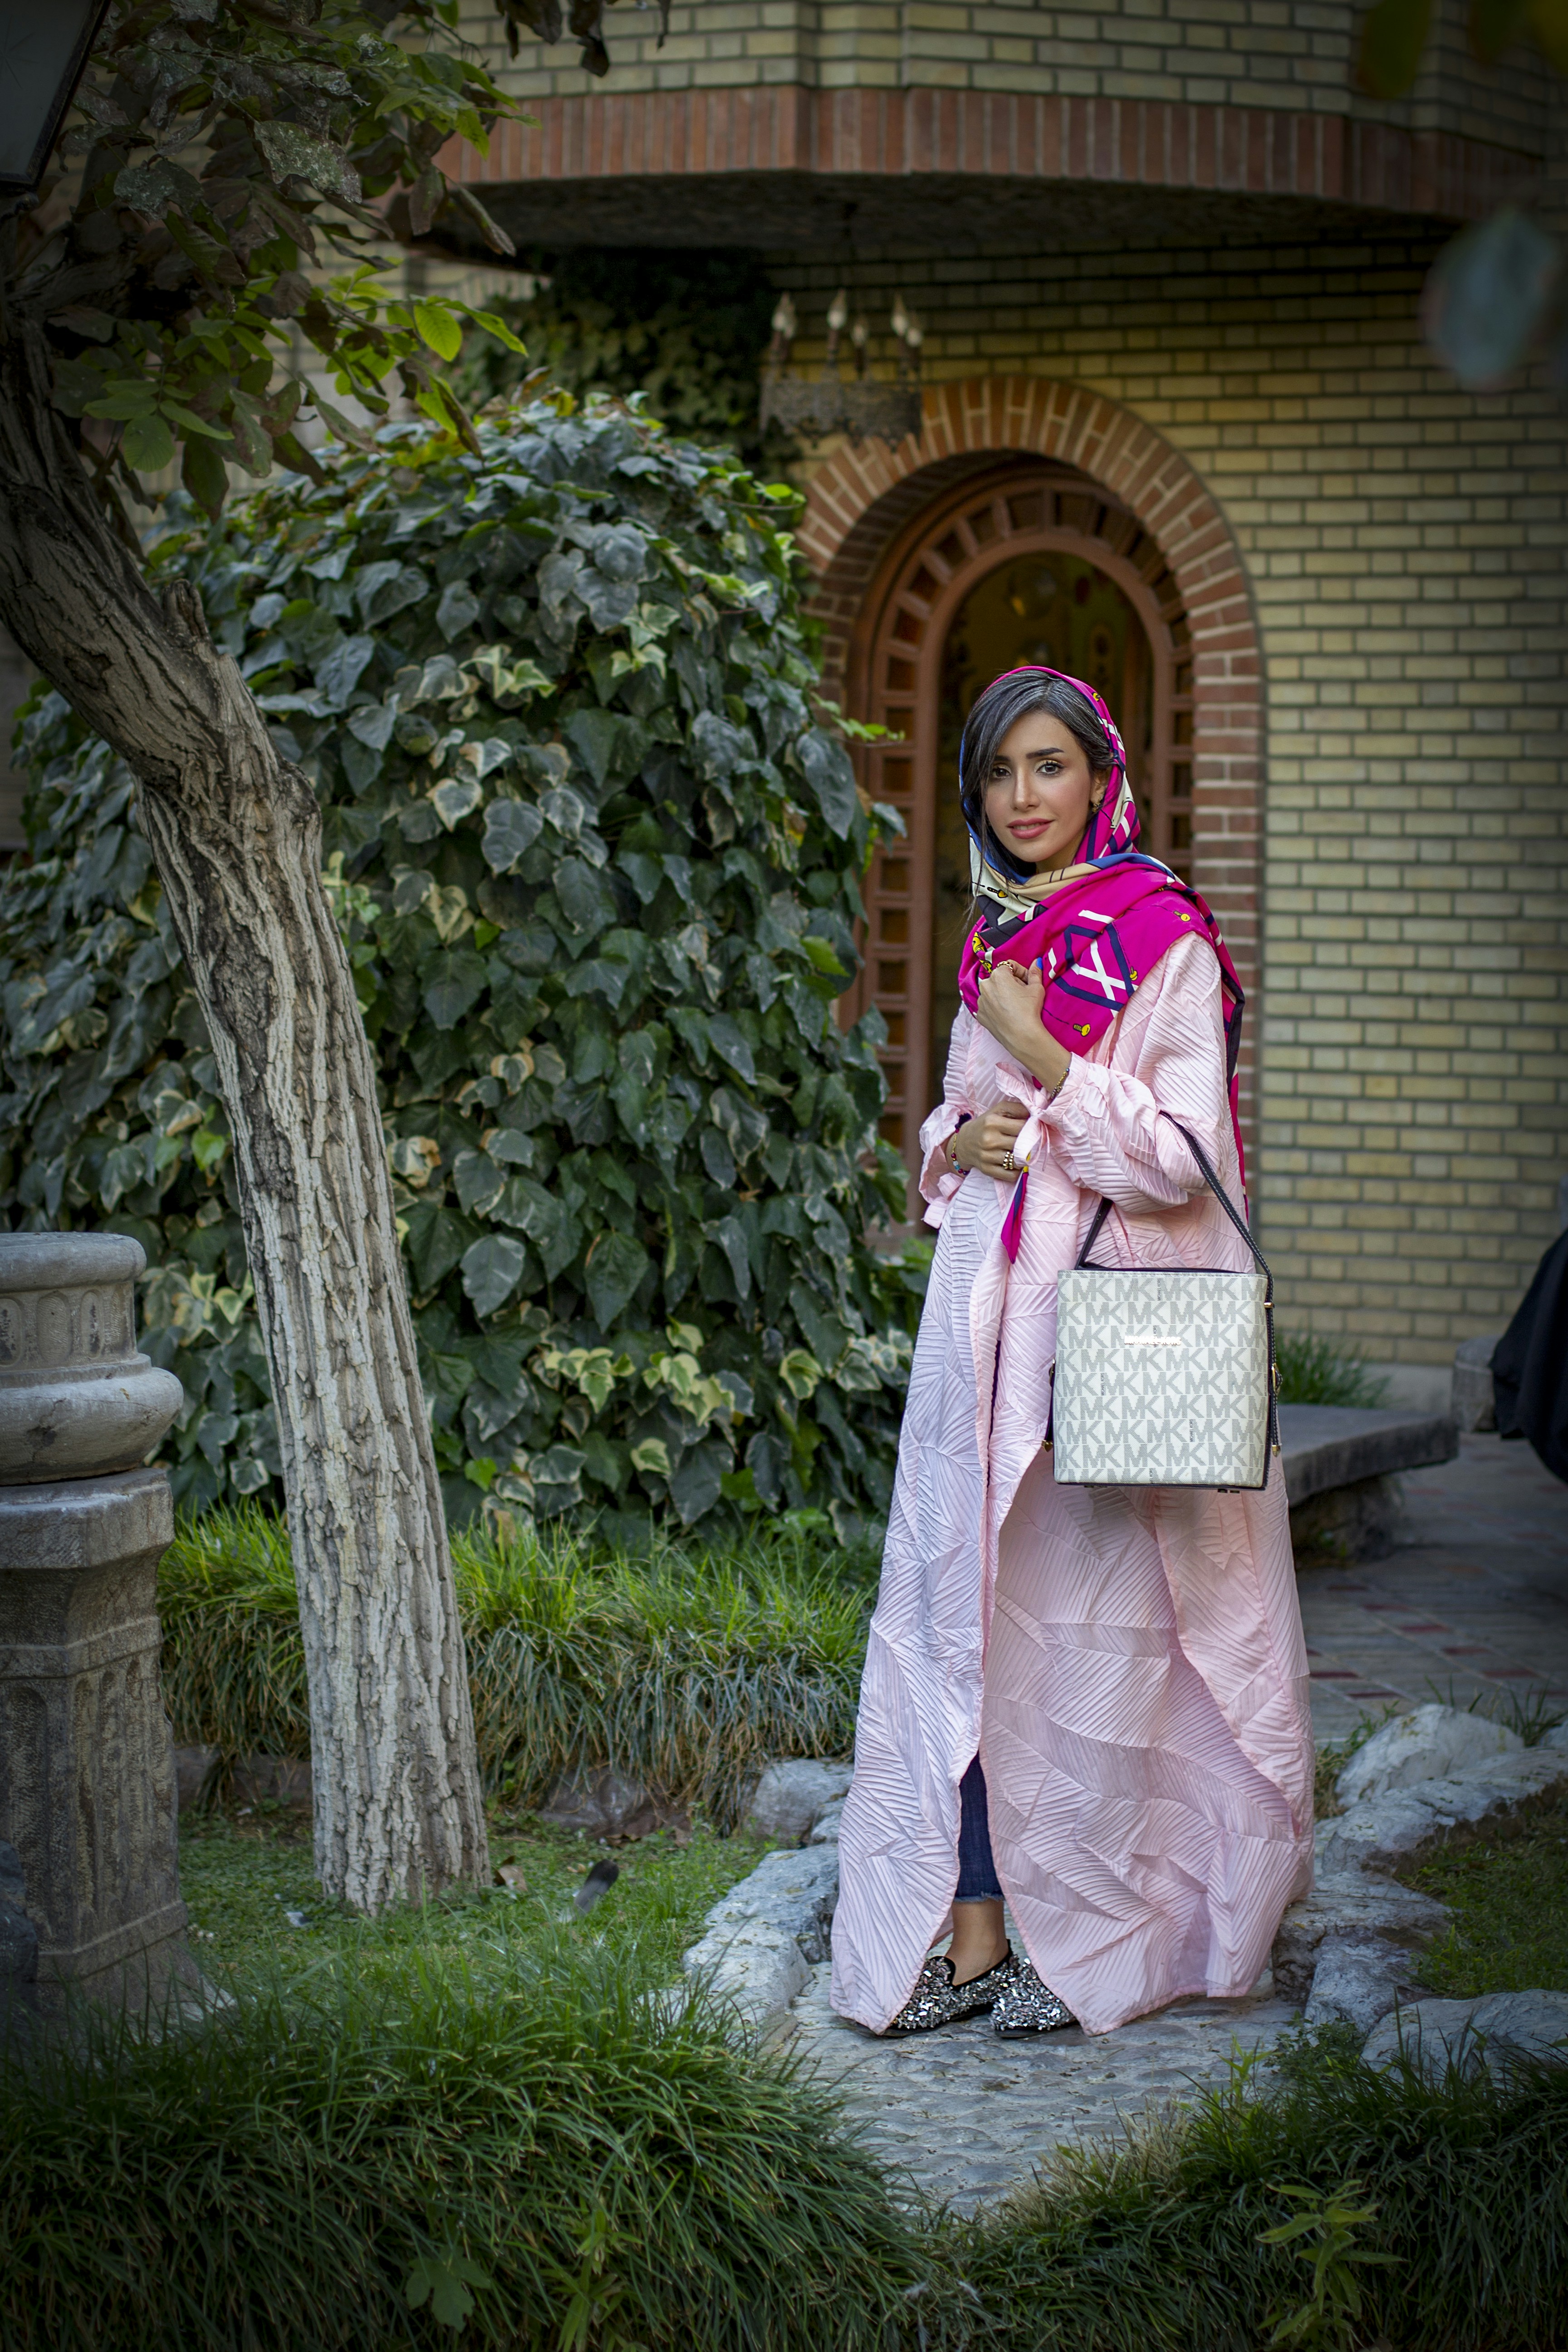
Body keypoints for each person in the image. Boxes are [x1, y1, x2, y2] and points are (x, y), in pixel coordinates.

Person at [830, 666, 1315, 2040]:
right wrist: (965, 1140)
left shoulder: (1163, 939)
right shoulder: (999, 934)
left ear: (1101, 776)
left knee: (1099, 1643)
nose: (1021, 796)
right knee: (969, 1632)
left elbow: (1180, 1157)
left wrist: (1043, 1051)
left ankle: (1096, 1929)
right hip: (986, 1343)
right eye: (998, 773)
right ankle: (977, 1927)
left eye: (1049, 766)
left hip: (1106, 1348)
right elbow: (955, 1123)